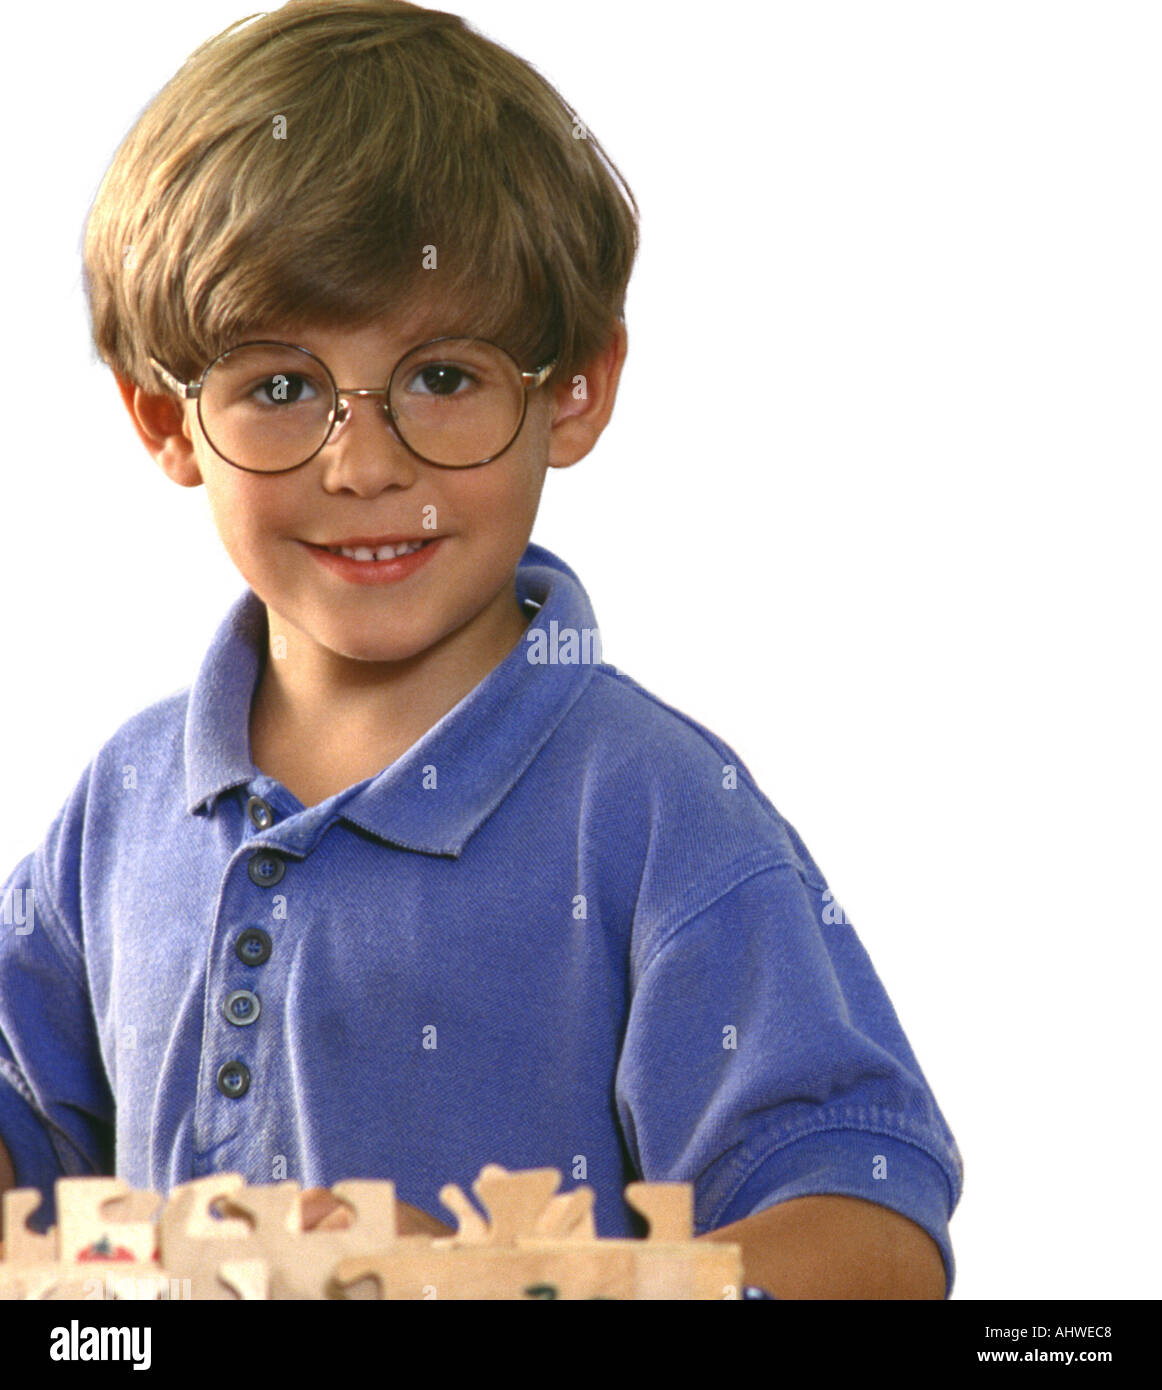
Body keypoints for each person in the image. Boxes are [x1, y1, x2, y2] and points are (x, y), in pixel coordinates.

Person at [0, 0, 961, 1297]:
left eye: (443, 375)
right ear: (164, 423)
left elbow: (867, 1233)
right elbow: (28, 1137)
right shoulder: (120, 806)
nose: (364, 463)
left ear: (572, 391)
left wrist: (528, 1289)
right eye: (279, 387)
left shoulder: (654, 812)